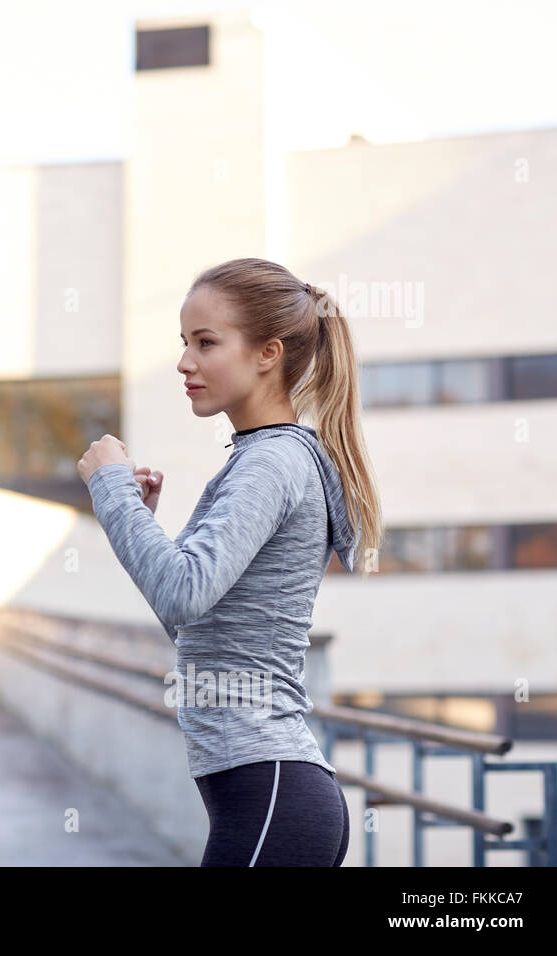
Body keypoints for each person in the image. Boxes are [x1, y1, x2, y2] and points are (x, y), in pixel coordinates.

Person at [76, 257, 382, 866]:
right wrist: (141, 521)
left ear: (268, 353)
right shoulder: (261, 459)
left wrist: (110, 490)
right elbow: (193, 625)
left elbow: (182, 593)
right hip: (267, 792)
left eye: (206, 343)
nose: (185, 363)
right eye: (185, 344)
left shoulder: (271, 464)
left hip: (271, 791)